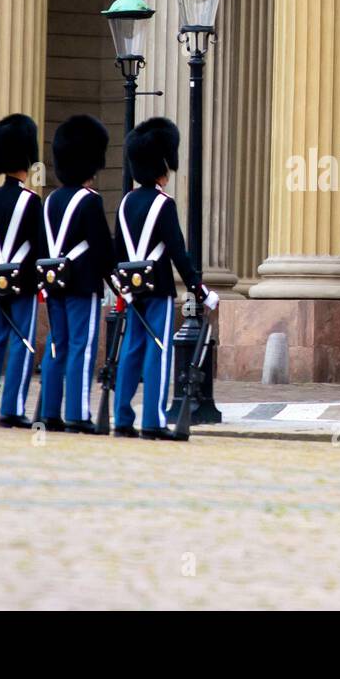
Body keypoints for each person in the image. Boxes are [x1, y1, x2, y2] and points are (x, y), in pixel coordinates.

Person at [113, 117, 217, 440]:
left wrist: (123, 290)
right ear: (161, 166)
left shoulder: (125, 203)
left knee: (131, 350)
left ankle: (122, 416)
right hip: (156, 290)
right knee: (158, 351)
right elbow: (178, 254)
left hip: (132, 291)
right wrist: (200, 291)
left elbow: (117, 251)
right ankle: (154, 420)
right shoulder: (164, 205)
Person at [39, 115, 114, 434]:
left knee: (57, 346)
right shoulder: (90, 201)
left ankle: (48, 412)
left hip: (54, 282)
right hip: (82, 284)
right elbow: (102, 250)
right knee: (81, 347)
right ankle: (77, 413)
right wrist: (117, 282)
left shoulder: (51, 200)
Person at [0, 114, 46, 429]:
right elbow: (40, 246)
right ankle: (12, 407)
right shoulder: (31, 201)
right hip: (25, 283)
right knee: (21, 343)